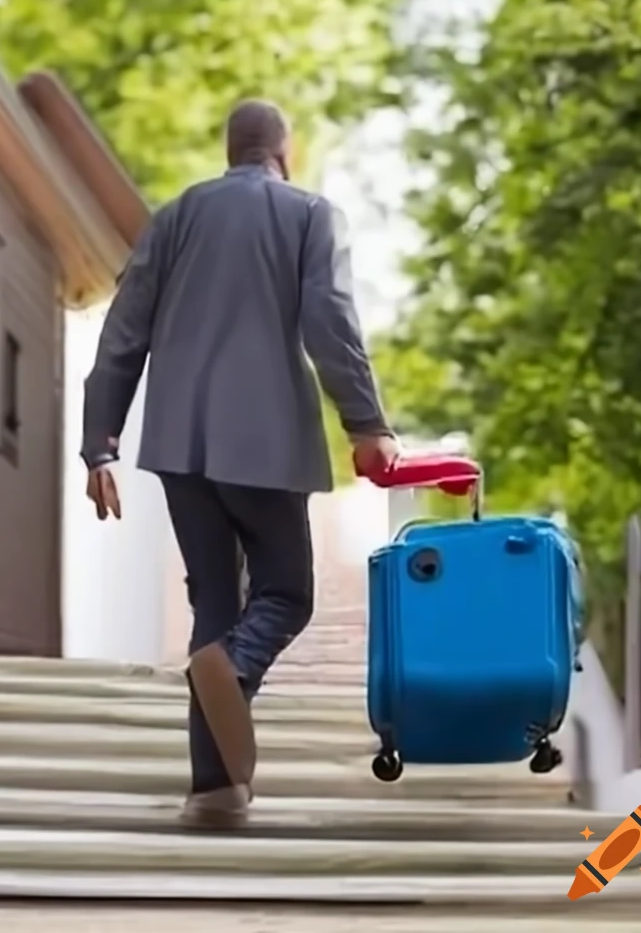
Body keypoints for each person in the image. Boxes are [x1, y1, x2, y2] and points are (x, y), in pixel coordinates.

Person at [81, 99, 399, 827]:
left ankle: (217, 788)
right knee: (285, 595)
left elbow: (123, 333)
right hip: (265, 441)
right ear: (285, 151)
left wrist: (101, 445)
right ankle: (236, 670)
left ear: (231, 151)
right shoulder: (310, 213)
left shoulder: (176, 217)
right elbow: (329, 320)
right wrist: (367, 423)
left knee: (216, 608)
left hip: (179, 445)